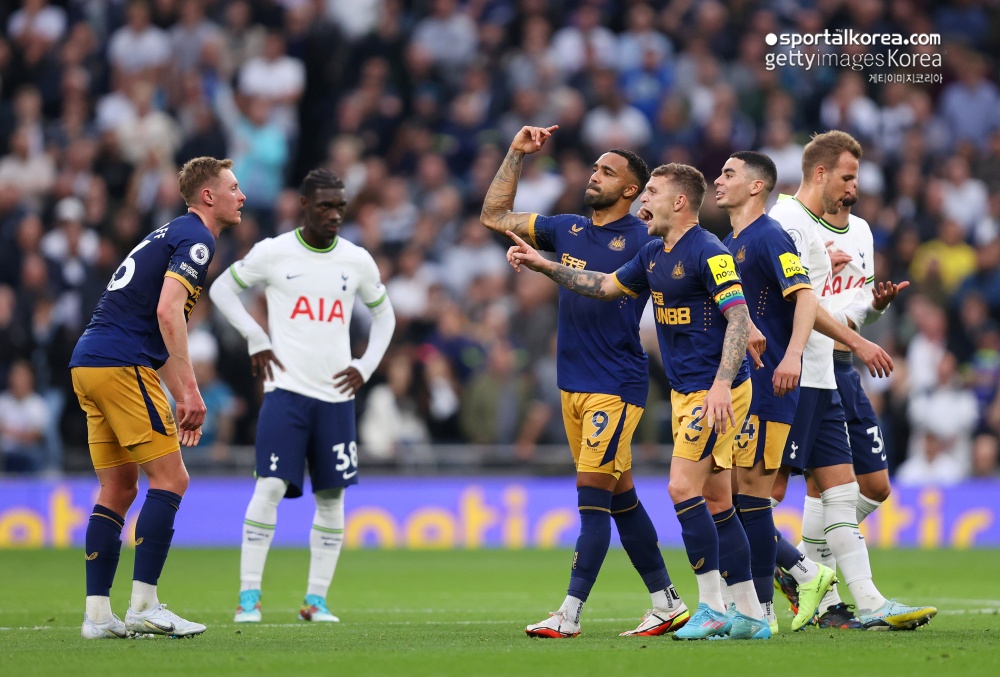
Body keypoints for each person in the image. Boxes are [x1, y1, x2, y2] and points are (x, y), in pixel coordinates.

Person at [508, 163, 770, 641]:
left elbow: (737, 319)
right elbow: (605, 286)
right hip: (687, 389)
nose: (643, 200)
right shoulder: (652, 253)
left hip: (717, 390)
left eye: (652, 191)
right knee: (715, 498)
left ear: (679, 202)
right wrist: (545, 265)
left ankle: (711, 606)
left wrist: (719, 386)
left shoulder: (709, 251)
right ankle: (751, 614)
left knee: (680, 488)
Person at [481, 125, 689, 638]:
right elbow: (493, 216)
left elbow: (605, 290)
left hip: (615, 384)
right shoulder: (568, 229)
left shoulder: (645, 241)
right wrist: (516, 153)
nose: (594, 175)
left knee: (591, 498)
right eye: (595, 167)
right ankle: (667, 601)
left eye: (607, 172)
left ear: (630, 191)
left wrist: (543, 267)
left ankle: (569, 614)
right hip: (572, 382)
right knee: (620, 497)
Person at [209, 168, 395, 624]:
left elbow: (385, 316)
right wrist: (257, 337)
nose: (335, 214)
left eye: (340, 207)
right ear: (303, 205)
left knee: (332, 499)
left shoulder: (356, 260)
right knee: (269, 487)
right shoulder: (274, 253)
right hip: (286, 393)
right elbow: (221, 289)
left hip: (336, 398)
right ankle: (248, 598)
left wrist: (364, 366)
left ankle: (316, 602)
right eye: (326, 206)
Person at [768, 131, 937, 631]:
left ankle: (810, 574)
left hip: (837, 369)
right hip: (793, 370)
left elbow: (854, 305)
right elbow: (795, 299)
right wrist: (856, 337)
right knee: (768, 490)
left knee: (860, 488)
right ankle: (771, 586)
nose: (853, 188)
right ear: (819, 173)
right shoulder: (786, 223)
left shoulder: (860, 231)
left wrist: (874, 308)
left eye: (856, 179)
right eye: (846, 177)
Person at [70, 156, 243, 639]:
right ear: (208, 196)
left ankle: (99, 617)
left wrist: (181, 386)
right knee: (171, 479)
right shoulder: (199, 238)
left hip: (89, 364)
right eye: (233, 186)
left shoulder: (170, 234)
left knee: (119, 489)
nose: (242, 195)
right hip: (122, 364)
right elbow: (170, 313)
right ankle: (145, 605)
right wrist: (189, 390)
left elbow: (156, 326)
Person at [713, 151, 818, 634]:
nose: (718, 180)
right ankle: (797, 575)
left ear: (757, 187)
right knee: (734, 498)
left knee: (751, 498)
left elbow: (806, 295)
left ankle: (765, 606)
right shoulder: (726, 241)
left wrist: (793, 354)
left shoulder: (770, 235)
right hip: (741, 386)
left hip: (770, 383)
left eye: (729, 174)